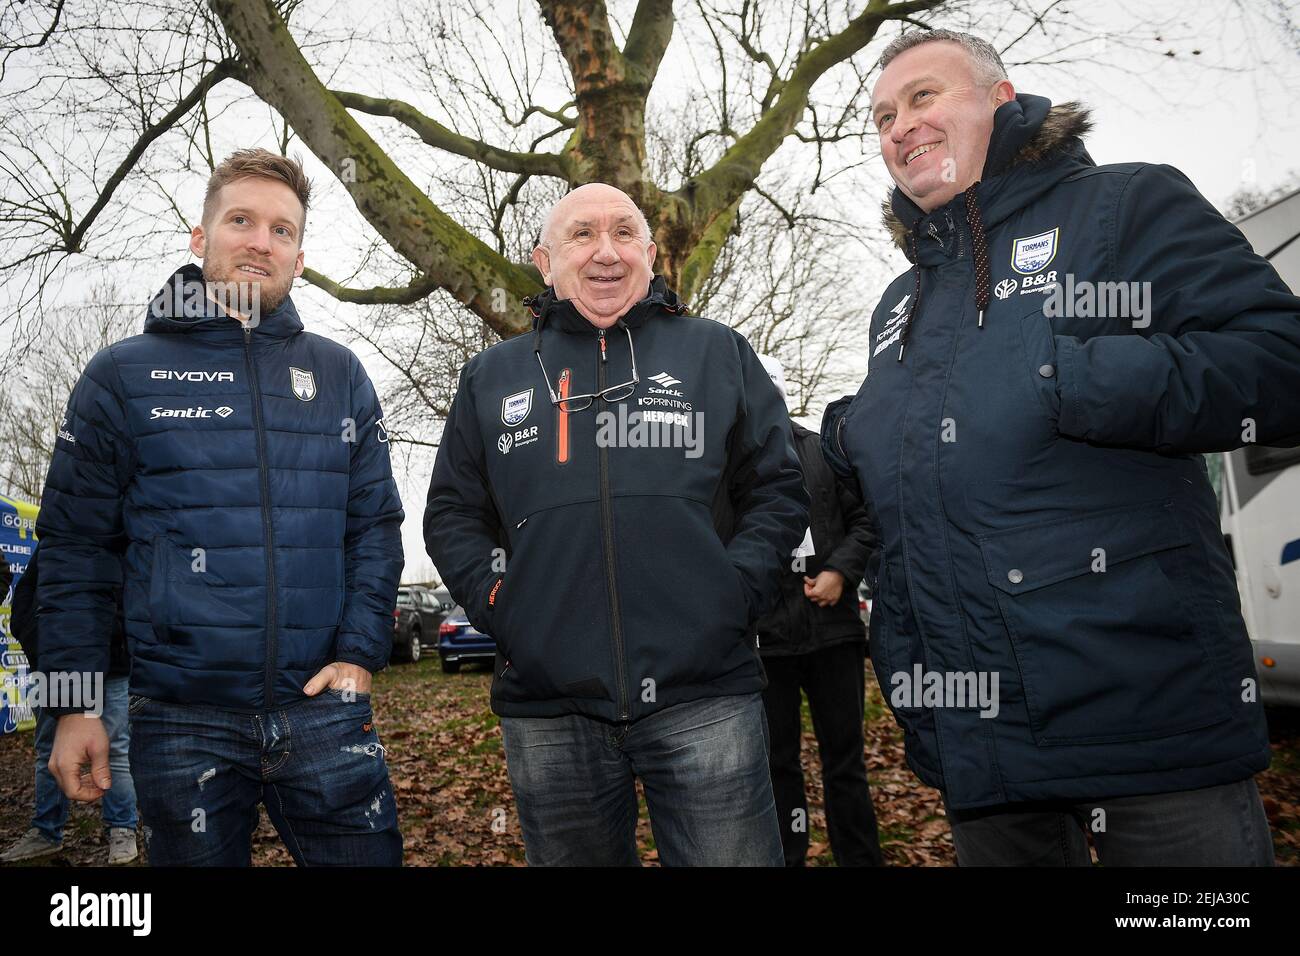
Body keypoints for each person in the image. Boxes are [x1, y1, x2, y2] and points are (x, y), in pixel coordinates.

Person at [822, 29, 1300, 866]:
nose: (900, 126)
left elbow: (1279, 363)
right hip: (980, 745)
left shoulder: (1123, 208)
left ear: (1002, 101)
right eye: (883, 115)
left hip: (1146, 724)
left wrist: (1077, 378)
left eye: (924, 97)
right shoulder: (901, 300)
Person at [38, 148, 405, 867]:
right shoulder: (123, 374)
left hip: (323, 714)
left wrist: (360, 656)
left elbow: (374, 527)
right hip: (181, 721)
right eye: (241, 220)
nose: (260, 241)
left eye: (282, 229)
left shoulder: (338, 375)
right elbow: (74, 549)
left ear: (299, 257)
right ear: (200, 236)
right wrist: (75, 705)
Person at [425, 182, 809, 866]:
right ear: (545, 261)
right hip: (549, 705)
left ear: (652, 255)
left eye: (624, 233)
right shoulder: (491, 376)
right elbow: (453, 512)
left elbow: (778, 489)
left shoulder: (718, 353)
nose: (606, 251)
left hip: (705, 695)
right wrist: (500, 605)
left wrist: (736, 591)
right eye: (582, 234)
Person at [753, 355, 883, 867]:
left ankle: (861, 858)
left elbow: (869, 521)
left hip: (834, 634)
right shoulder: (730, 463)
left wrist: (840, 572)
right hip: (768, 641)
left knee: (845, 763)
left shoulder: (826, 451)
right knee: (777, 763)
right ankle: (789, 856)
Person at [1, 544, 138, 865]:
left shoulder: (123, 538)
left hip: (112, 664)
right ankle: (46, 831)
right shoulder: (57, 537)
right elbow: (27, 596)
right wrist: (38, 644)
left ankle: (123, 828)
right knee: (49, 749)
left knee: (116, 749)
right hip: (57, 664)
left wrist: (120, 645)